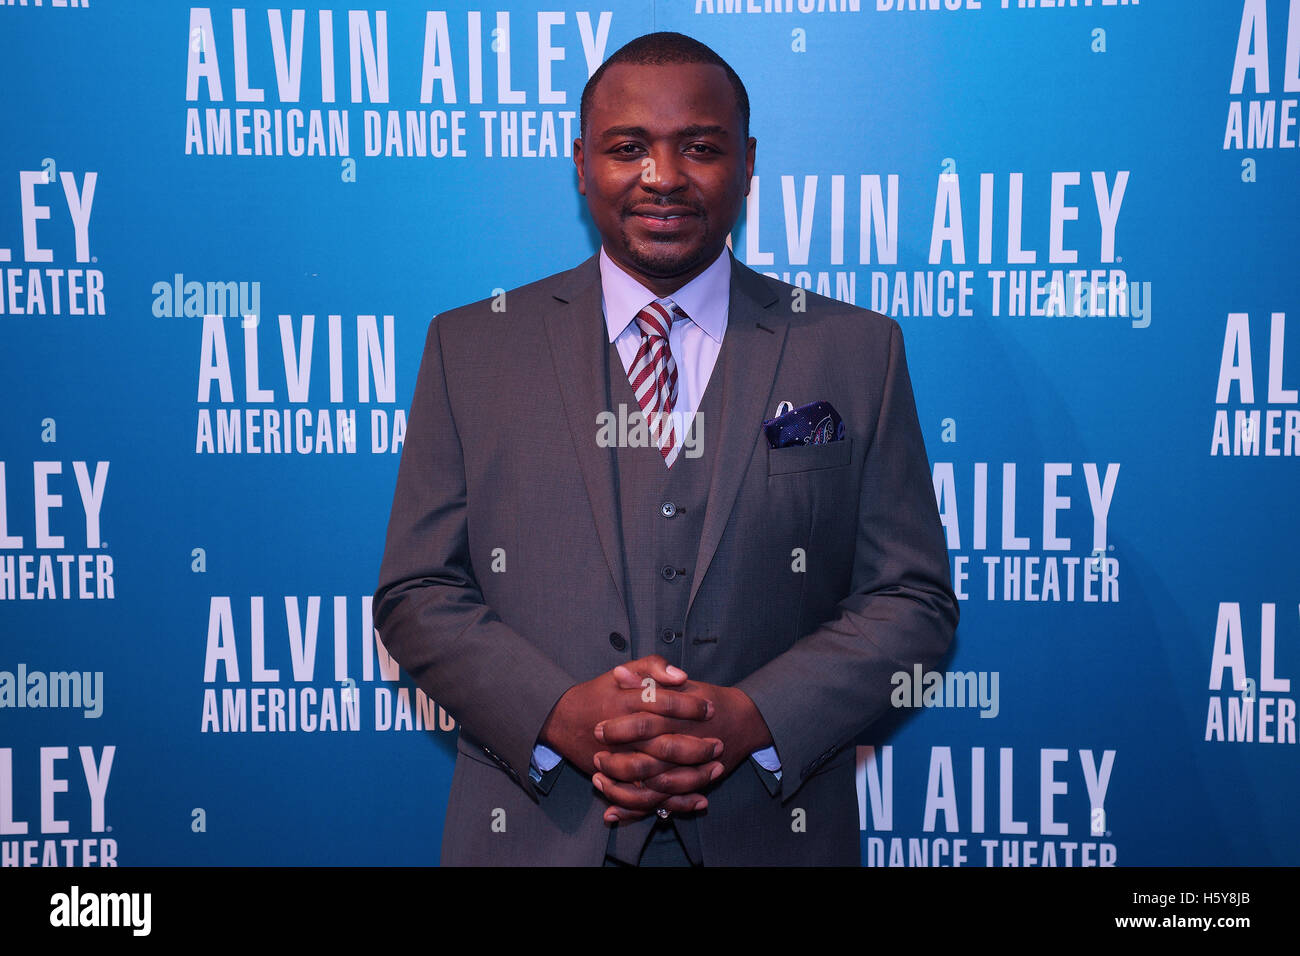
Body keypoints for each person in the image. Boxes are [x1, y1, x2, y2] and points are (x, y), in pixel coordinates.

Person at [373, 31, 958, 866]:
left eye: (701, 148)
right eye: (627, 148)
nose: (663, 177)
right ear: (581, 163)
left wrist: (753, 717)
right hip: (537, 837)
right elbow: (417, 590)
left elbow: (912, 600)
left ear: (747, 162)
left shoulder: (854, 351)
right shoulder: (472, 349)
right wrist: (557, 715)